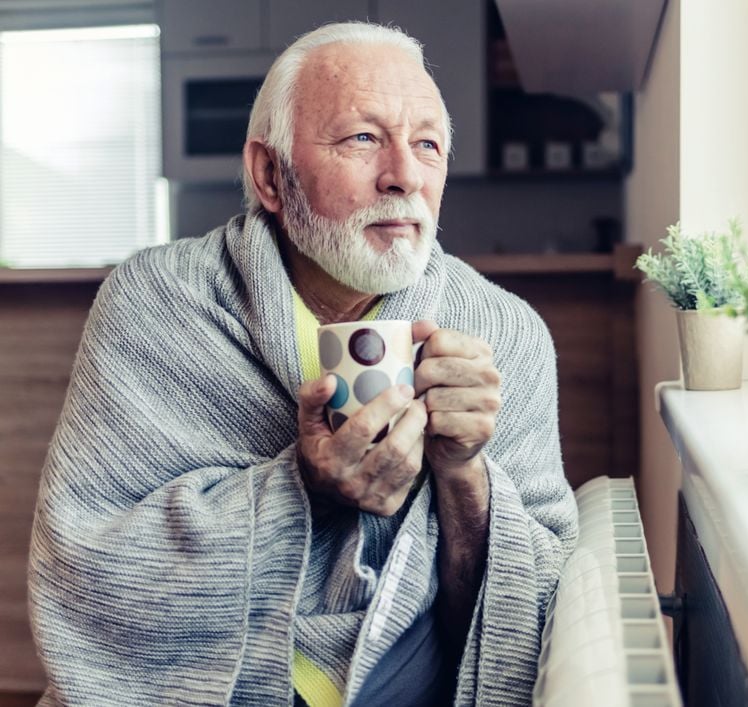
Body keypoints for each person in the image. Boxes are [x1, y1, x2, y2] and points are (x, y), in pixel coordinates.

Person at [28, 21, 578, 706]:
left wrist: (463, 474)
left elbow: (541, 614)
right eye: (363, 138)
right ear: (269, 174)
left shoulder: (506, 334)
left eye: (428, 144)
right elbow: (82, 567)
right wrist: (300, 488)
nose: (404, 175)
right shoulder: (156, 301)